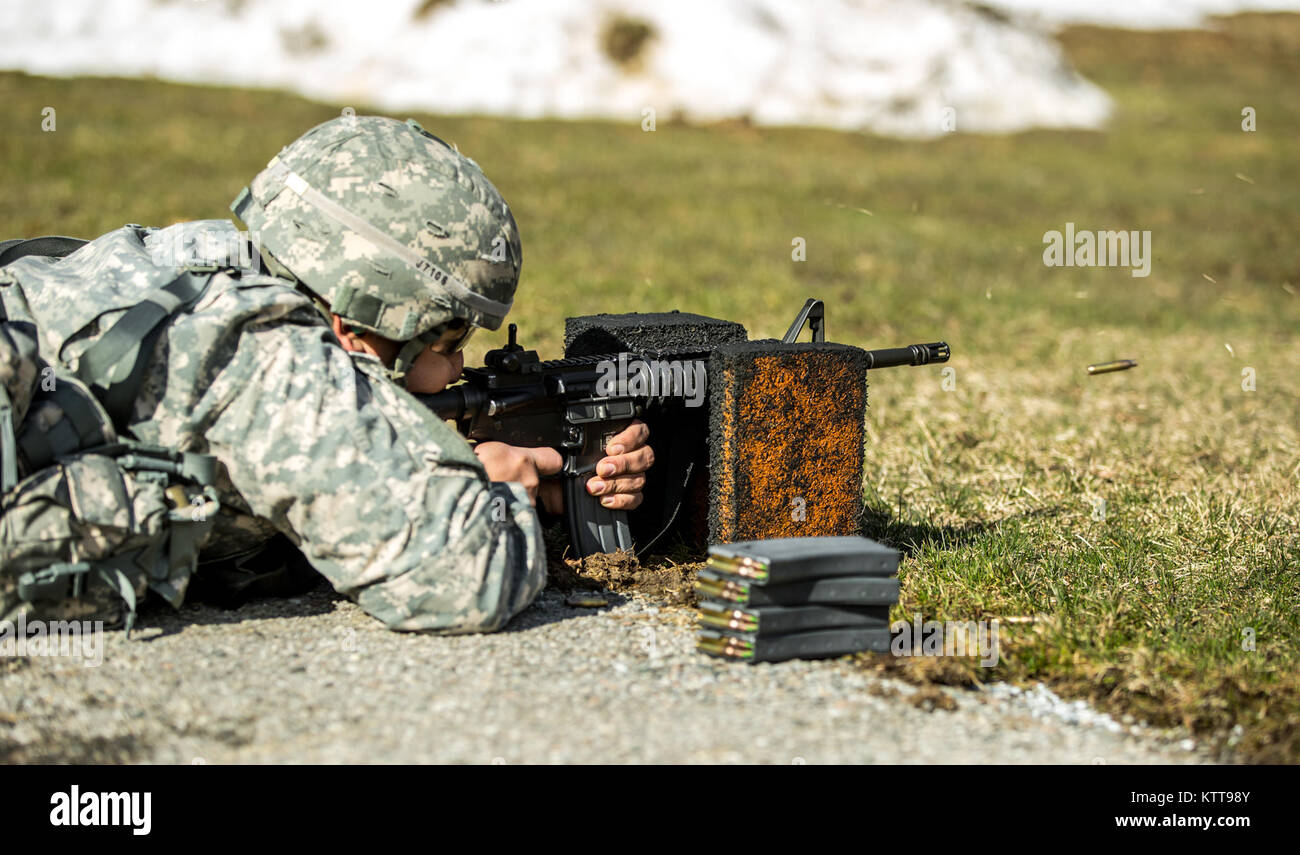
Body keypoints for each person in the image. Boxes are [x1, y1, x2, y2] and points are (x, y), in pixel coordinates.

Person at [0, 115, 652, 633]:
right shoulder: (268, 361)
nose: (460, 363)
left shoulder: (200, 272)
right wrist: (502, 493)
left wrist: (552, 485)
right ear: (358, 320)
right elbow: (463, 581)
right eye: (450, 333)